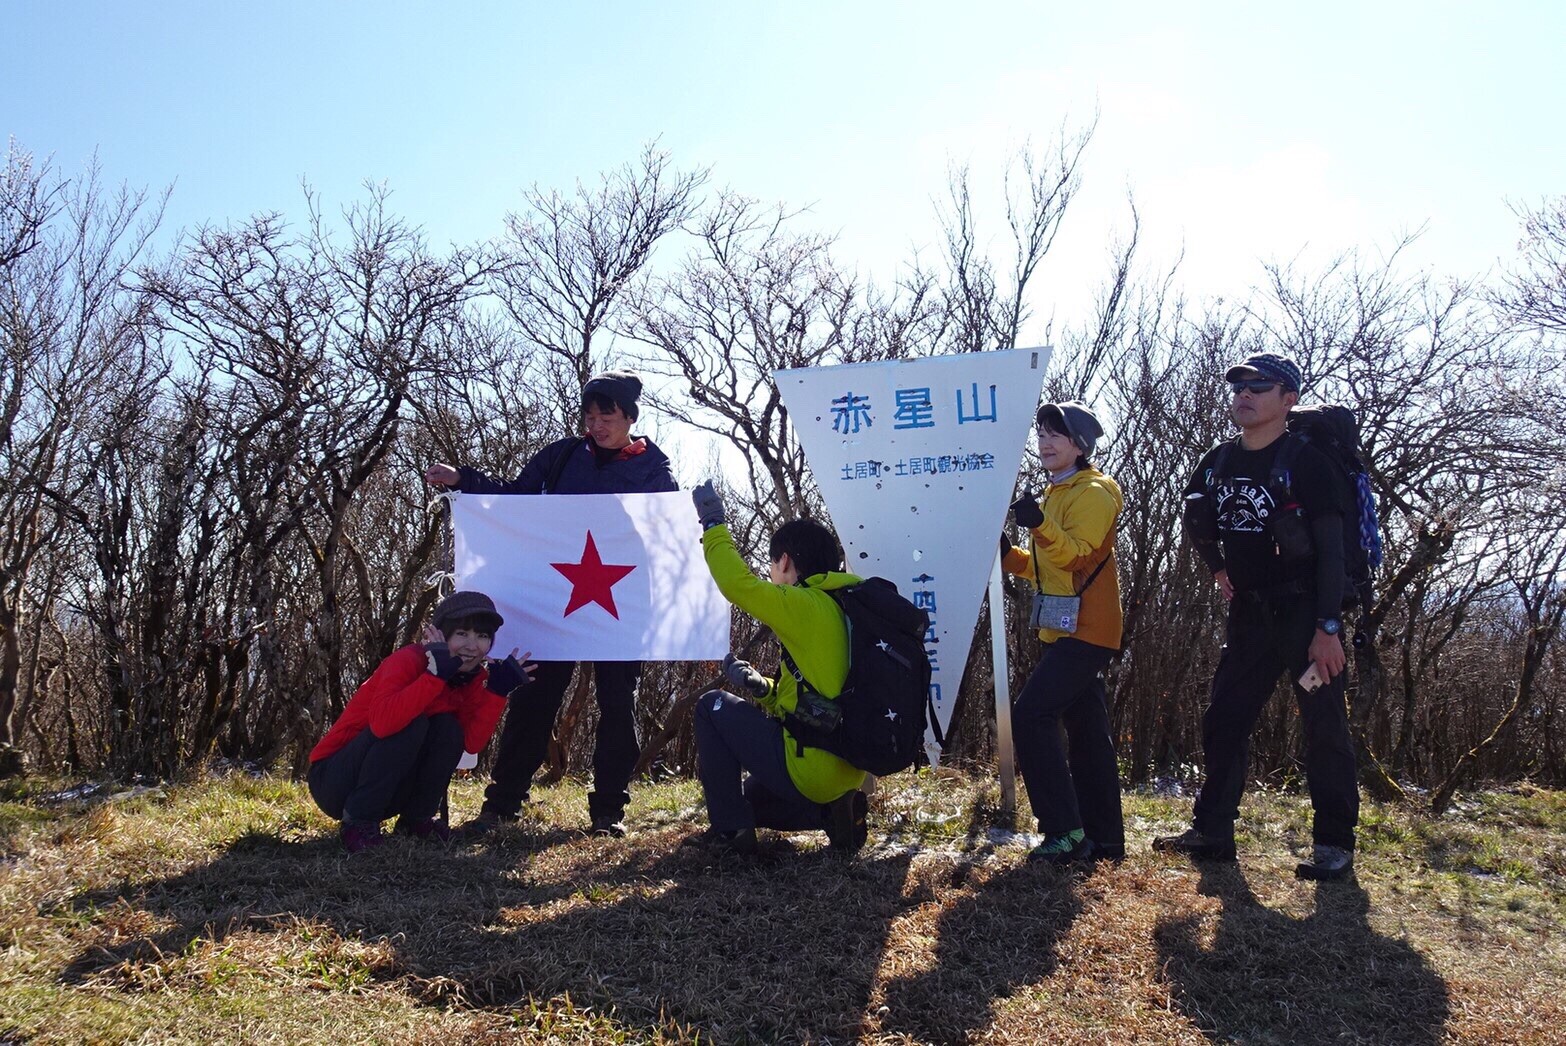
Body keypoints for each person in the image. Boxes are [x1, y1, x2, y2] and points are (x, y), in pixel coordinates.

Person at [424, 371, 678, 837]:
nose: (596, 424)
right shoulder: (561, 456)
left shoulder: (653, 469)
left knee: (618, 706)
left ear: (629, 417)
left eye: (607, 415)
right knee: (533, 698)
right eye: (590, 414)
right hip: (552, 599)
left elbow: (668, 535)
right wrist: (465, 480)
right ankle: (500, 806)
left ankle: (608, 813)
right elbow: (516, 501)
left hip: (622, 604)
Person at [1154, 352, 1359, 881]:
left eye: (1260, 387)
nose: (1244, 394)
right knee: (1225, 718)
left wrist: (1328, 628)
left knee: (1324, 727)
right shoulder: (1219, 458)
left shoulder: (1307, 461)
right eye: (1239, 385)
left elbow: (1334, 551)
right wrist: (1218, 568)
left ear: (1288, 400)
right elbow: (1197, 514)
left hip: (1305, 614)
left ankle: (1334, 844)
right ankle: (1213, 831)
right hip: (1249, 615)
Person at [682, 483, 869, 855]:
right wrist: (763, 688)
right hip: (849, 769)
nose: (770, 571)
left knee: (710, 706)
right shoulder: (848, 604)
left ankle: (731, 834)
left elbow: (737, 585)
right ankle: (834, 814)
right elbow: (820, 695)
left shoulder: (804, 603)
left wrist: (714, 524)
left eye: (772, 563)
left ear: (784, 561)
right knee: (749, 800)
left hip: (812, 768)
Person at [308, 591, 535, 853]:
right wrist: (434, 675)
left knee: (448, 728)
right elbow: (383, 725)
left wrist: (496, 692)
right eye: (462, 634)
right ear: (438, 635)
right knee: (412, 723)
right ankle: (358, 823)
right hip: (334, 781)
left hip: (390, 788)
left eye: (482, 636)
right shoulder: (407, 660)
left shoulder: (469, 679)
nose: (473, 646)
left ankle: (416, 821)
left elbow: (471, 744)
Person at [1000, 401, 1125, 865]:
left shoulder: (1093, 492)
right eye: (1042, 434)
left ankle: (1064, 832)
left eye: (1057, 435)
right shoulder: (1054, 493)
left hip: (1088, 629)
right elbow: (1045, 570)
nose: (1046, 443)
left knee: (1031, 715)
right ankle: (1105, 840)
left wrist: (1038, 522)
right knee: (1088, 732)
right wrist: (1008, 554)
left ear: (1080, 445)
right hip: (1063, 628)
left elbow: (1076, 556)